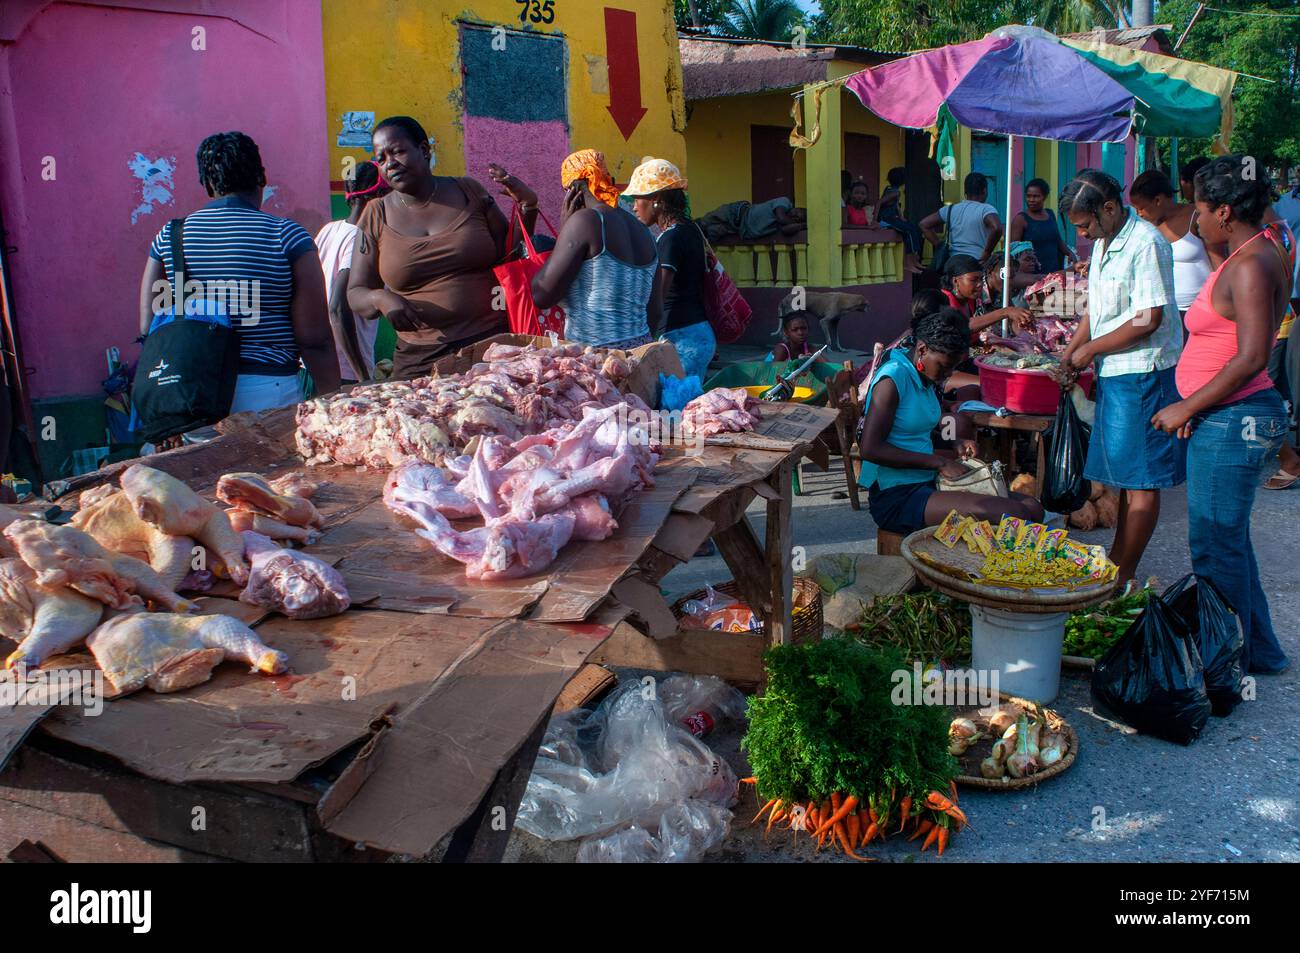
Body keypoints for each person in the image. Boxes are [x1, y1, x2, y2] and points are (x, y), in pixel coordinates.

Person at [1151, 156, 1292, 674]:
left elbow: (1253, 354)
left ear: (1226, 211)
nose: (1195, 220)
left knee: (1213, 544)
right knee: (1228, 541)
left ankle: (1223, 664)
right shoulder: (1257, 246)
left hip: (1236, 418)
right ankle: (1259, 652)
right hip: (1229, 414)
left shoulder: (1253, 263)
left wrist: (1188, 404)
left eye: (1203, 210)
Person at [138, 131, 340, 412]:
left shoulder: (171, 236)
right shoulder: (287, 236)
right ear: (262, 178)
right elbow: (314, 338)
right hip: (269, 390)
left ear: (208, 185)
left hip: (192, 391)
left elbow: (150, 327)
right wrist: (332, 402)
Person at [1055, 168, 1184, 588]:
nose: (1083, 234)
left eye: (1085, 225)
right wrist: (1074, 348)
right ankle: (1117, 563)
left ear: (1109, 209)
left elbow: (1149, 318)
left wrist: (1090, 350)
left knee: (1142, 482)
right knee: (1128, 478)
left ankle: (1122, 571)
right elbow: (1097, 311)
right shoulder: (1106, 243)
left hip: (1144, 373)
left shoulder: (1146, 243)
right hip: (1115, 371)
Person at [346, 115, 538, 378]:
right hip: (419, 359)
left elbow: (509, 255)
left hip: (490, 350)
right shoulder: (376, 215)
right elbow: (355, 291)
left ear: (423, 150)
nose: (390, 164)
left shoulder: (468, 192)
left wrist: (528, 208)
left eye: (398, 151)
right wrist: (380, 298)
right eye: (381, 159)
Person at [858, 306, 1044, 535]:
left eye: (952, 369)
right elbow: (870, 448)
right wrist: (940, 462)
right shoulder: (892, 379)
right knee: (1015, 515)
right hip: (897, 496)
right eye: (945, 368)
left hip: (927, 481)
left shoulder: (923, 375)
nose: (948, 375)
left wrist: (952, 442)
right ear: (922, 349)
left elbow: (913, 433)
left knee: (1033, 508)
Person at [531, 149, 660, 350]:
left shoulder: (584, 222)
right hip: (641, 352)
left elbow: (542, 295)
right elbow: (656, 311)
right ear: (608, 180)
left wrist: (564, 233)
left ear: (572, 192)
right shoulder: (644, 232)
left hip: (597, 360)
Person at [624, 157, 716, 381]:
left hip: (682, 339)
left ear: (656, 199)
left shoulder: (670, 239)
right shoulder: (690, 228)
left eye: (638, 198)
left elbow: (658, 296)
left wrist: (639, 340)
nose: (634, 206)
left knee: (674, 411)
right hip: (696, 333)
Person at [315, 160, 390, 384]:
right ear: (374, 197)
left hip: (318, 363)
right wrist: (363, 377)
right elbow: (337, 308)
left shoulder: (329, 230)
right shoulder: (359, 238)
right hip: (346, 371)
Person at [1128, 169, 1217, 322]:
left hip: (1199, 311)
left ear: (1158, 200)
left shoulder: (1196, 217)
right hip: (1161, 315)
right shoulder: (1143, 228)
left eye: (1141, 208)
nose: (1139, 214)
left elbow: (1219, 262)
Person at [940, 254, 1031, 340]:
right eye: (973, 280)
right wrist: (1005, 311)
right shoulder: (943, 300)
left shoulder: (970, 299)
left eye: (980, 279)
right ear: (955, 281)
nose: (980, 284)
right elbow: (963, 325)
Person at [921, 172, 1003, 264]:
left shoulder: (950, 209)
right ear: (984, 191)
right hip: (977, 262)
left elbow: (924, 224)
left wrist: (939, 245)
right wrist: (987, 252)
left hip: (953, 262)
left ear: (965, 192)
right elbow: (997, 228)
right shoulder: (986, 209)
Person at [1009, 178, 1075, 275]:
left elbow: (1057, 240)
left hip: (1054, 271)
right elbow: (1014, 251)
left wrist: (1069, 253)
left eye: (1036, 196)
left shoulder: (1050, 214)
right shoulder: (1021, 219)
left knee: (1062, 288)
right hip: (1033, 275)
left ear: (1044, 197)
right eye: (1028, 196)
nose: (1031, 200)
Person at [876, 167, 924, 275]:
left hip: (892, 218)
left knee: (912, 228)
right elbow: (879, 203)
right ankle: (908, 263)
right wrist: (875, 221)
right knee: (909, 231)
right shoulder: (894, 192)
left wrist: (901, 217)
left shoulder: (890, 189)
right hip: (887, 220)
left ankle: (914, 259)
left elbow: (896, 206)